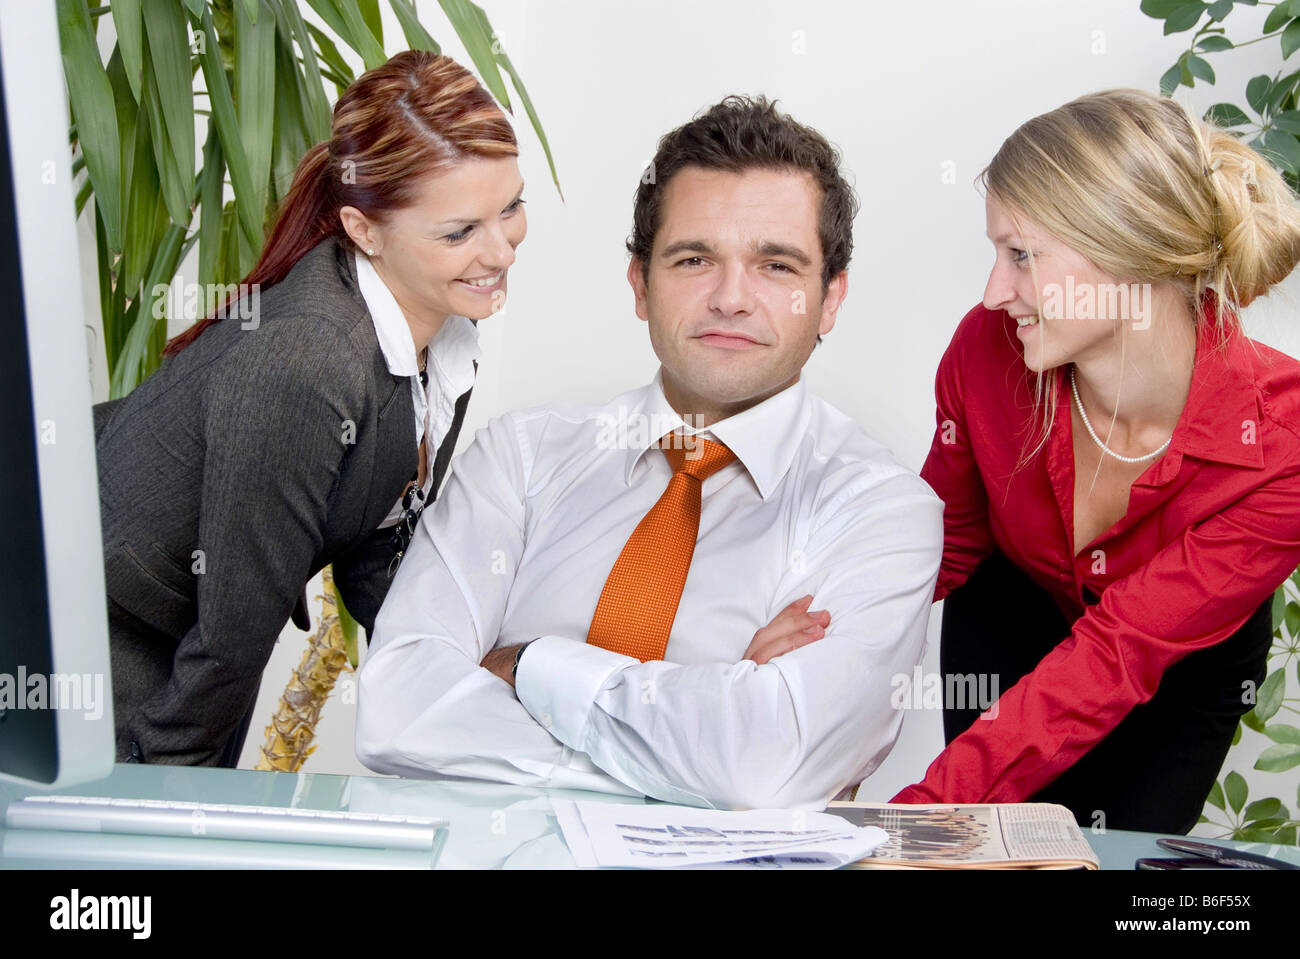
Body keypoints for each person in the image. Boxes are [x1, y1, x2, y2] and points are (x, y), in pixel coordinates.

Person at [355, 95, 944, 809]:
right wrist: (714, 707)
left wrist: (532, 664)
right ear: (640, 284)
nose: (732, 298)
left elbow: (766, 766)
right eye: (694, 258)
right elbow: (395, 711)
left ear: (830, 299)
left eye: (777, 266)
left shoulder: (882, 512)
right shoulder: (520, 458)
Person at [94, 51, 526, 766]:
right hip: (98, 622)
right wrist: (175, 809)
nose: (500, 250)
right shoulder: (309, 360)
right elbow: (232, 633)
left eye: (511, 208)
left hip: (200, 637)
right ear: (364, 230)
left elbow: (376, 536)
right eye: (459, 231)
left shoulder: (447, 323)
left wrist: (469, 674)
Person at [891, 88, 1300, 833]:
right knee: (983, 842)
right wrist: (816, 623)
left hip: (1175, 664)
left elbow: (1119, 651)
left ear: (1127, 251)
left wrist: (910, 817)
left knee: (1112, 867)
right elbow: (937, 542)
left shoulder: (1282, 446)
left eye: (1020, 256)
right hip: (1014, 608)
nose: (995, 293)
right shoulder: (986, 352)